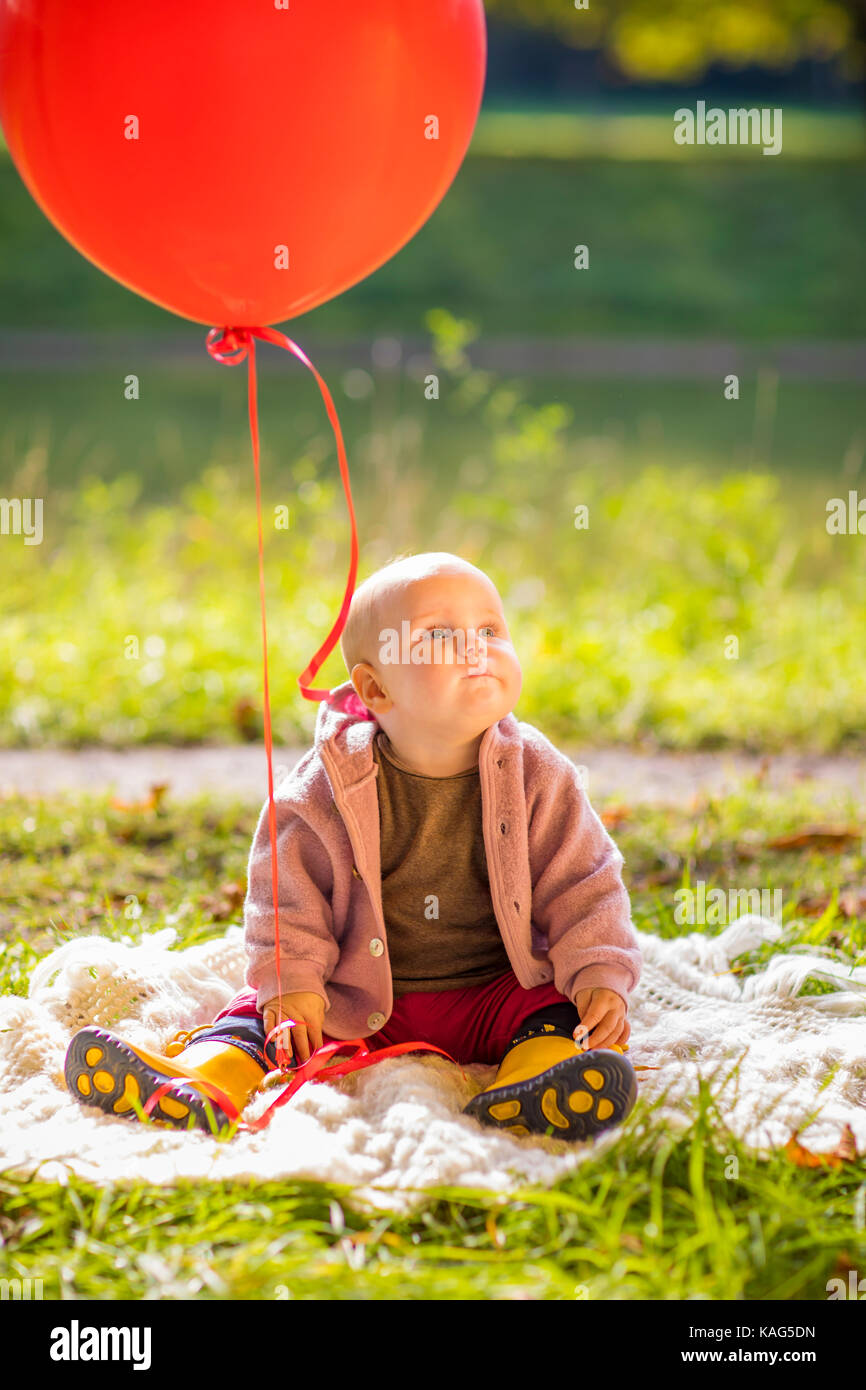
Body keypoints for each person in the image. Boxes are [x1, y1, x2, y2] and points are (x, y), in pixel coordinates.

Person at [66, 552, 641, 1142]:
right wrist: (292, 984)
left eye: (490, 630)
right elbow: (286, 896)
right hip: (359, 997)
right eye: (440, 635)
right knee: (267, 1016)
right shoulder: (327, 786)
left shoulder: (538, 772)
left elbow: (584, 880)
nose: (476, 648)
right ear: (375, 688)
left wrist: (598, 968)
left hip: (498, 991)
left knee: (558, 1011)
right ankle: (208, 1076)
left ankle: (541, 1078)